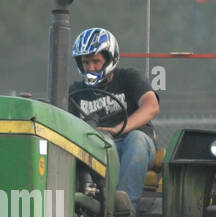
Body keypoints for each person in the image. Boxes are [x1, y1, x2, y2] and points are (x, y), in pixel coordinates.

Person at [67, 27, 159, 202]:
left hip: (129, 145)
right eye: (86, 63)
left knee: (136, 139)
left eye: (96, 61)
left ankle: (123, 207)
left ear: (110, 59)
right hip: (93, 147)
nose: (90, 67)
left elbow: (151, 107)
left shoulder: (129, 78)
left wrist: (117, 129)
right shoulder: (74, 92)